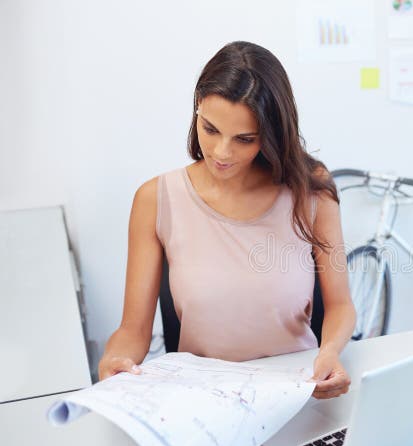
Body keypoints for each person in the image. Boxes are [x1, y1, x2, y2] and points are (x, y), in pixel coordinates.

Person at [98, 41, 356, 400]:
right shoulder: (155, 199)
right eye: (210, 129)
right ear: (197, 111)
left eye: (244, 139)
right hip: (204, 400)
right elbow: (133, 329)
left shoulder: (312, 190)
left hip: (296, 391)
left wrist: (328, 353)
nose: (221, 153)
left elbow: (341, 306)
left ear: (272, 135)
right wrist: (116, 358)